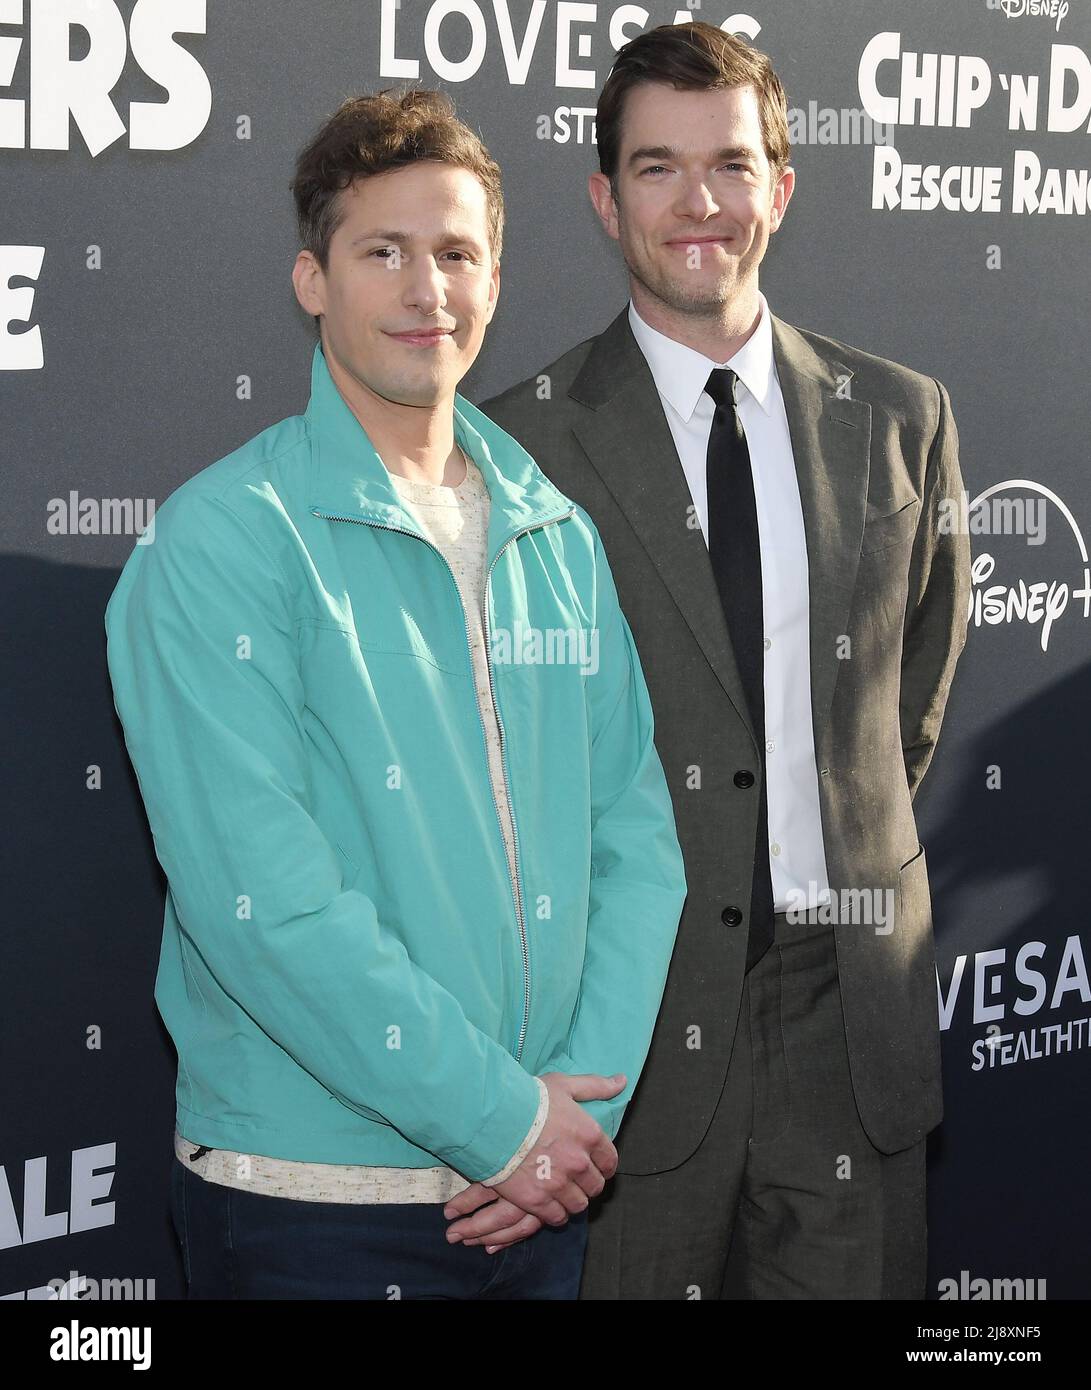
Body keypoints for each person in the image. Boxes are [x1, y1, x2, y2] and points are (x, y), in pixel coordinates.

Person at [103, 88, 687, 1301]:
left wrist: (571, 1117)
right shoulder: (221, 543)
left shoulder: (551, 532)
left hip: (542, 1189)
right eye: (384, 251)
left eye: (458, 252)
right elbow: (263, 902)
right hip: (311, 1208)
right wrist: (503, 1124)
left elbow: (634, 839)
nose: (428, 288)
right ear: (312, 279)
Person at [482, 22, 972, 1299]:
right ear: (602, 199)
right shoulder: (517, 446)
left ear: (781, 188)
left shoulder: (901, 419)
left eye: (730, 165)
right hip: (621, 1034)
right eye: (655, 168)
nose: (698, 202)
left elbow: (905, 707)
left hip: (844, 1015)